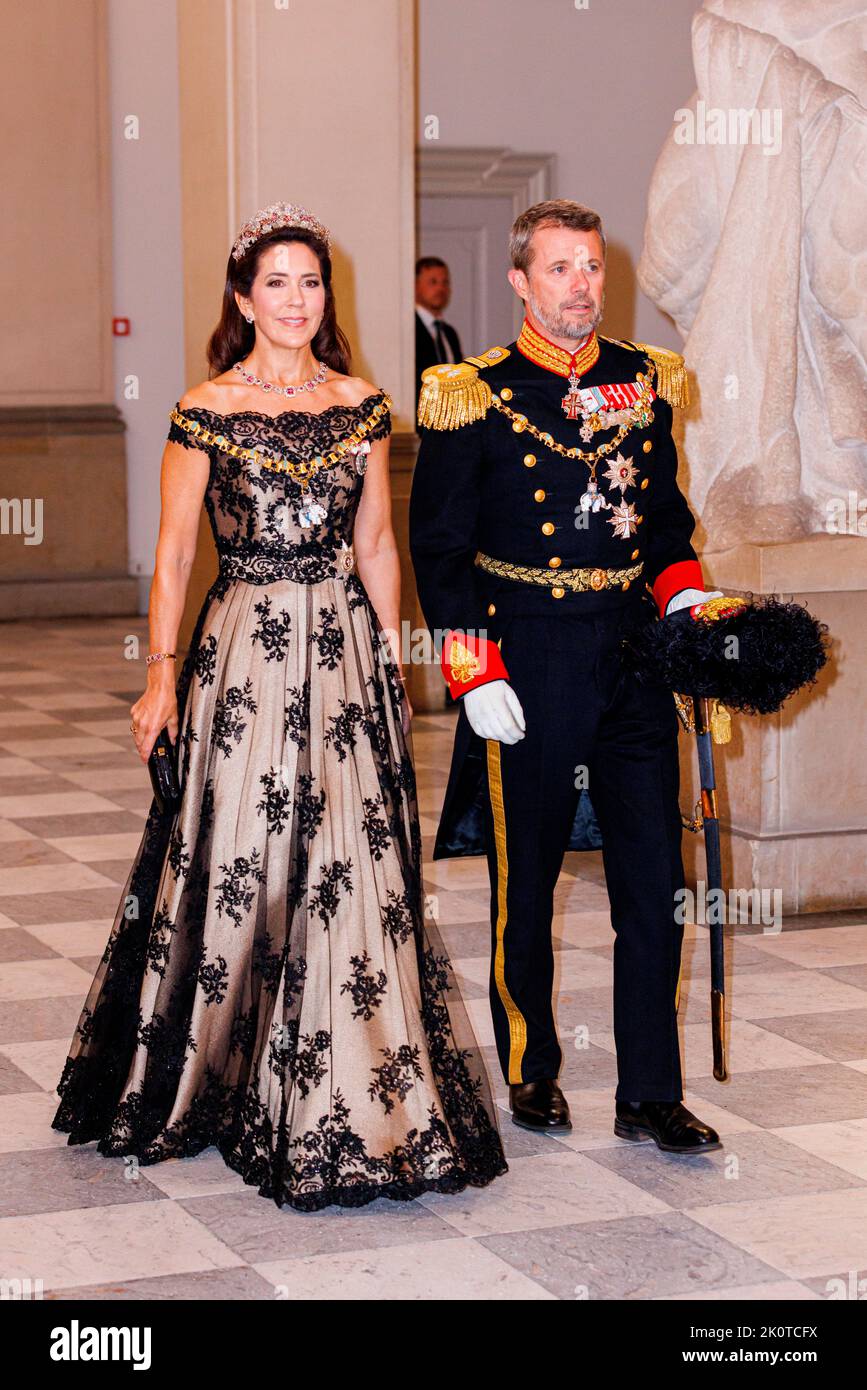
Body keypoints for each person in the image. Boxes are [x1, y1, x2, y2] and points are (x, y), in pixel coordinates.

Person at [51, 201, 507, 1211]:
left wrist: (396, 660)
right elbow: (175, 554)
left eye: (311, 282)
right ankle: (216, 1073)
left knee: (345, 865)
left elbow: (379, 546)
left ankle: (341, 1083)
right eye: (278, 283)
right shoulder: (204, 405)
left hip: (343, 648)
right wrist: (162, 671)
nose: (297, 300)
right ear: (244, 297)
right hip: (244, 655)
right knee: (242, 860)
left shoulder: (362, 402)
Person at [409, 199, 724, 1155]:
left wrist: (685, 604)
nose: (580, 284)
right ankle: (531, 1066)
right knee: (527, 880)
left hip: (632, 655)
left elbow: (665, 522)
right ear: (518, 281)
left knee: (651, 879)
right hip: (527, 655)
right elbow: (439, 549)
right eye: (558, 268)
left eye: (589, 266)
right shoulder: (476, 392)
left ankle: (649, 1092)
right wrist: (471, 671)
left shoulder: (643, 379)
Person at [415, 257, 463, 410]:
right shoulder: (409, 331)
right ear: (415, 285)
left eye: (445, 282)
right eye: (433, 282)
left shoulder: (449, 333)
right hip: (419, 422)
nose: (441, 289)